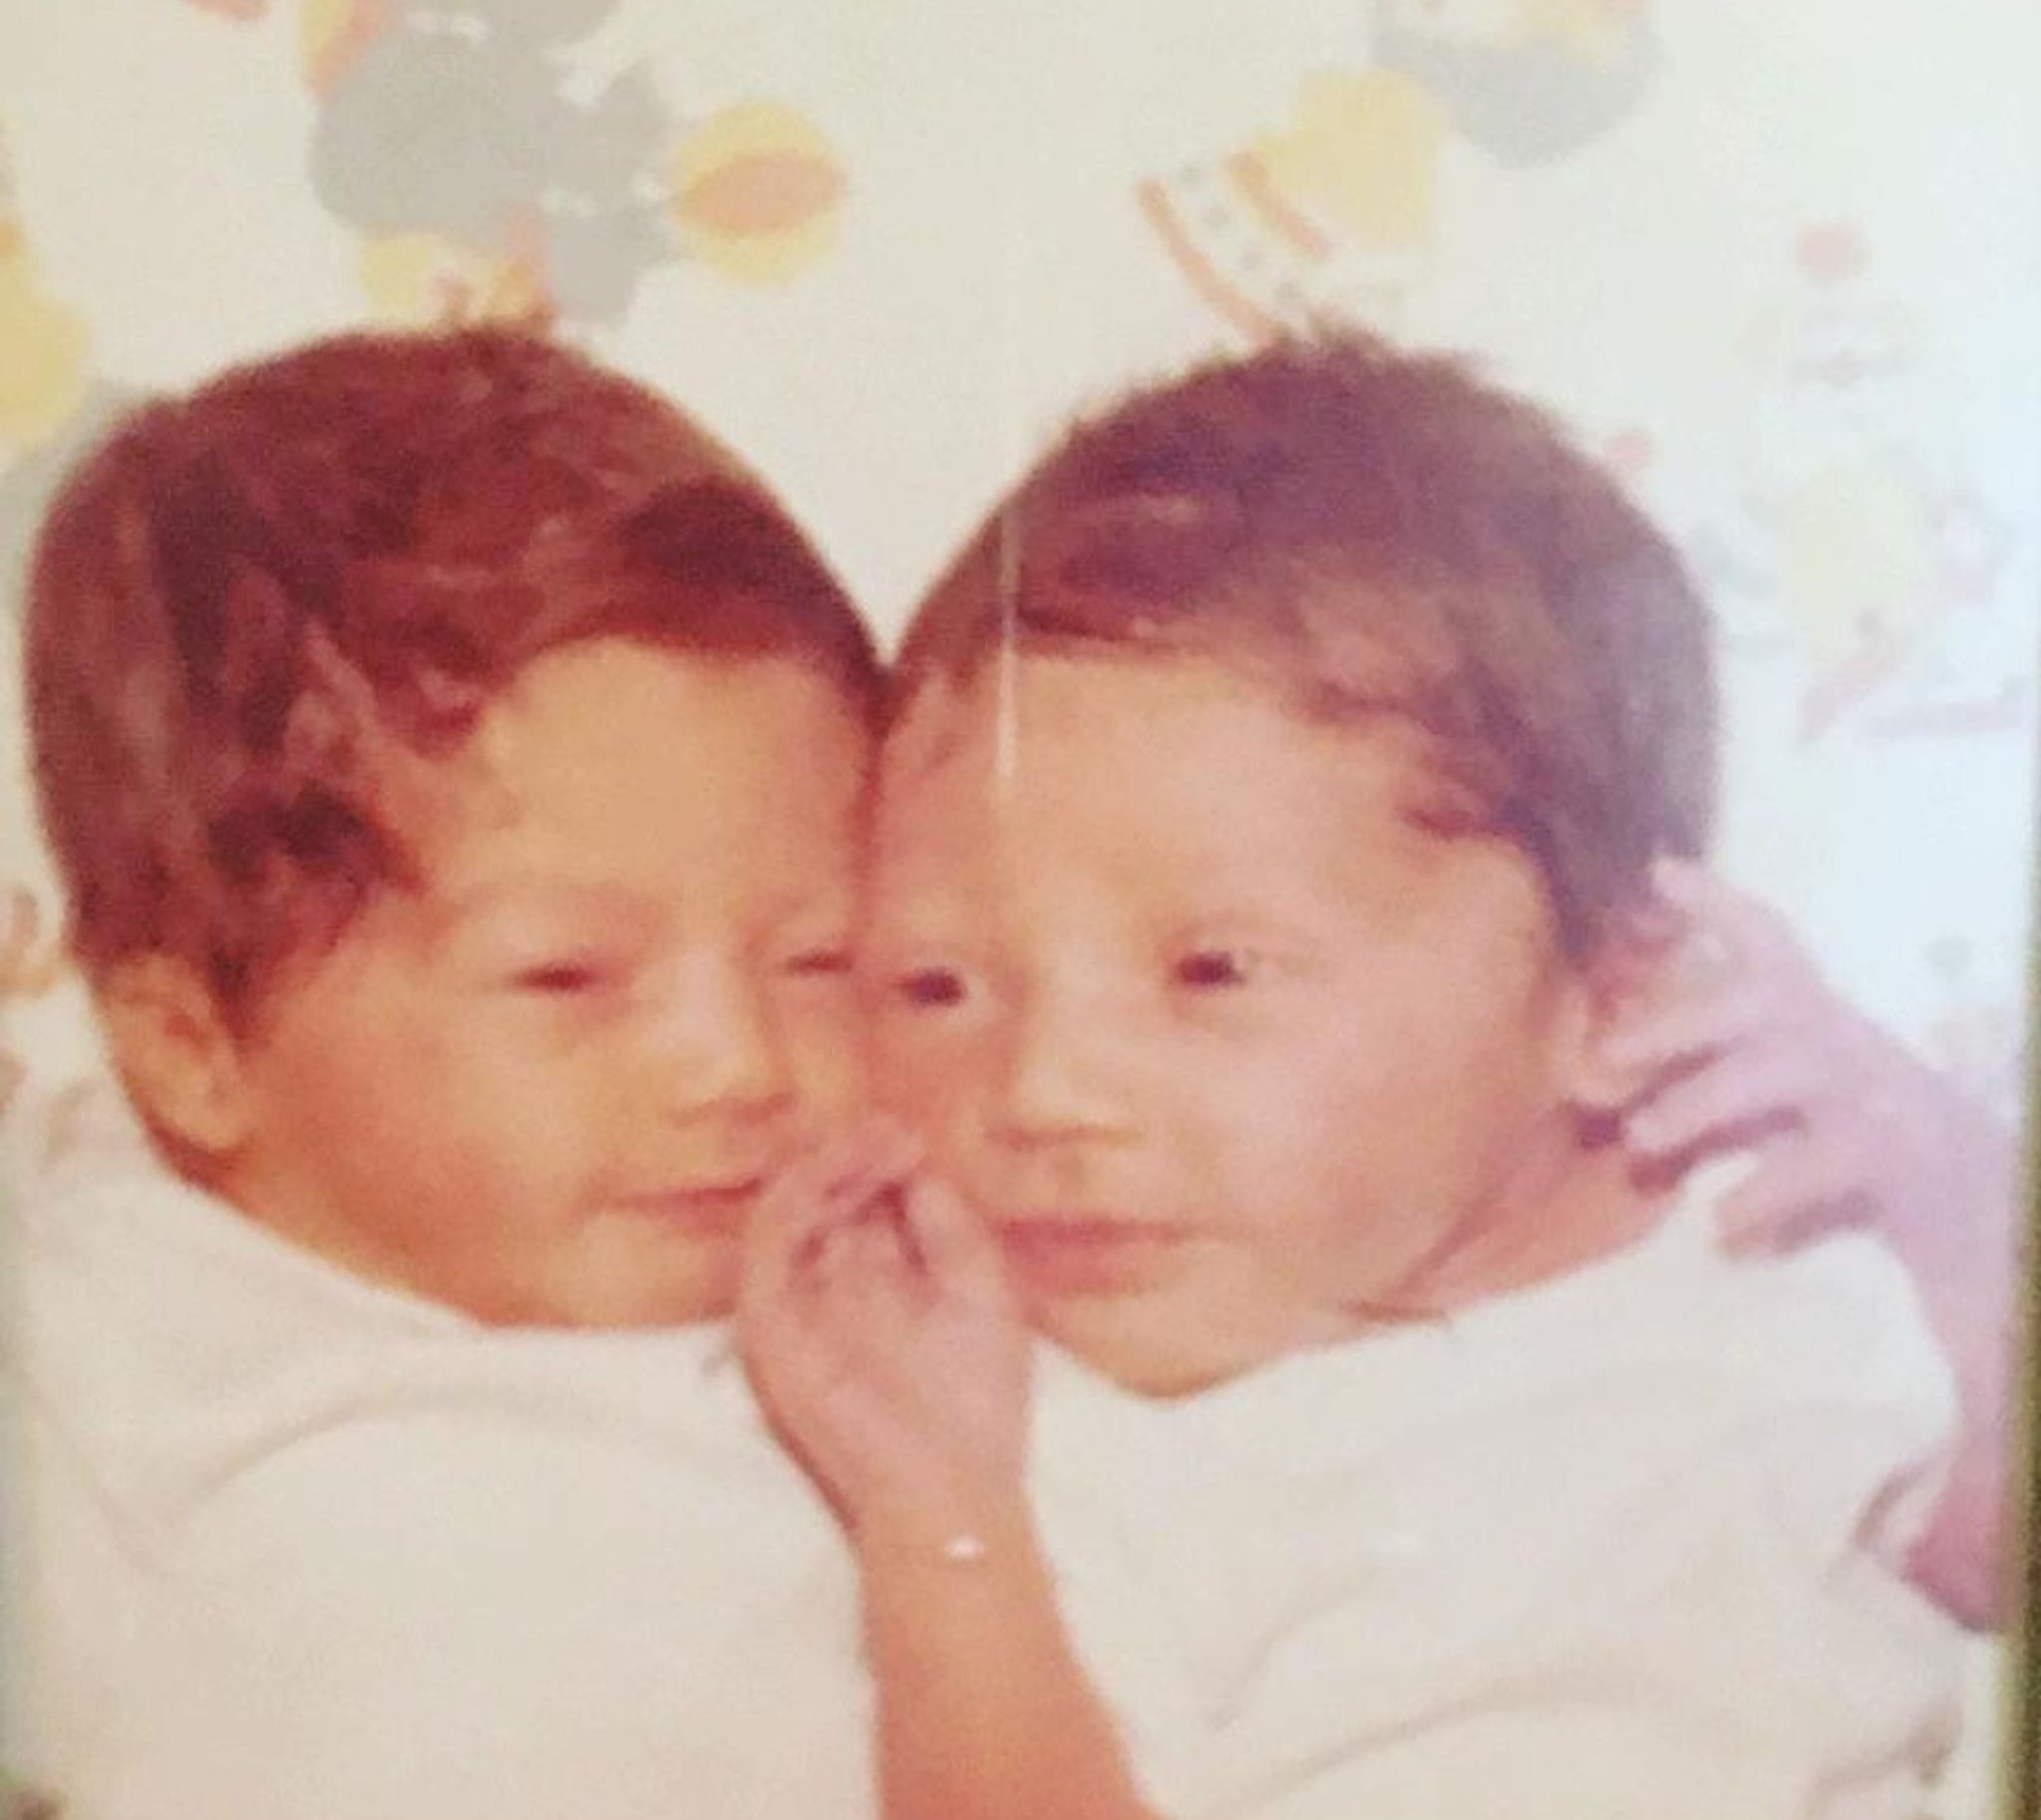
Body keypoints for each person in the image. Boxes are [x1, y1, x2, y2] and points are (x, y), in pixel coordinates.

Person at [742, 332, 2011, 1820]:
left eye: (1214, 971)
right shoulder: (992, 1410)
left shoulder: (1764, 1261)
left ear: (1618, 989)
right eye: (934, 987)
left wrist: (1967, 1218)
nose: (1040, 1092)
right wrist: (943, 1533)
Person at [8, 324, 888, 1819]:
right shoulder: (148, 1412)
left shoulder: (869, 1245)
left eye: (822, 958)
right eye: (566, 977)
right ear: (191, 1053)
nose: (740, 1066)